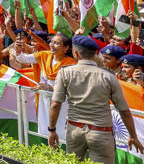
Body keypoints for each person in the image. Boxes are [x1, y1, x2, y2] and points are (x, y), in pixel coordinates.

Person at [49, 36, 144, 164]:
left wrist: (52, 130)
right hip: (101, 133)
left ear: (76, 53)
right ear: (95, 54)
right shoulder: (109, 77)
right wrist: (133, 135)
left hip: (74, 130)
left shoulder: (65, 73)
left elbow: (55, 104)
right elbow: (124, 111)